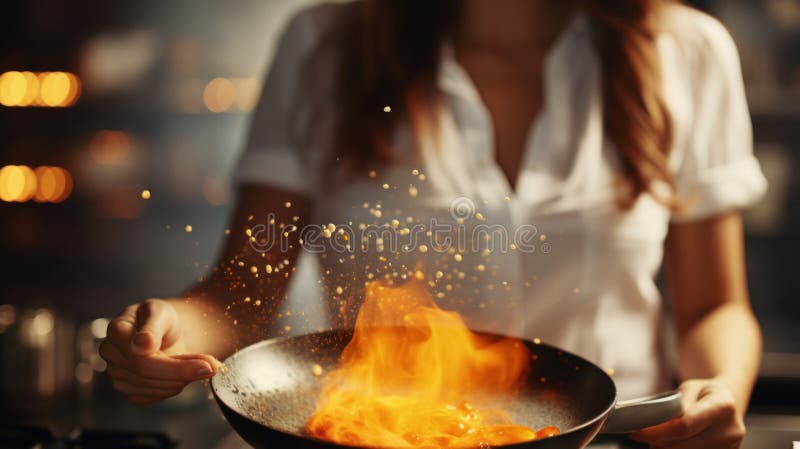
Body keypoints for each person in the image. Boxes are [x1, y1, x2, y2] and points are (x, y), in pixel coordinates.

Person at [100, 0, 767, 447]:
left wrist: (721, 389)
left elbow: (716, 305)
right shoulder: (324, 47)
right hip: (374, 441)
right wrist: (170, 330)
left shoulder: (688, 51)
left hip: (612, 441)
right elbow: (242, 285)